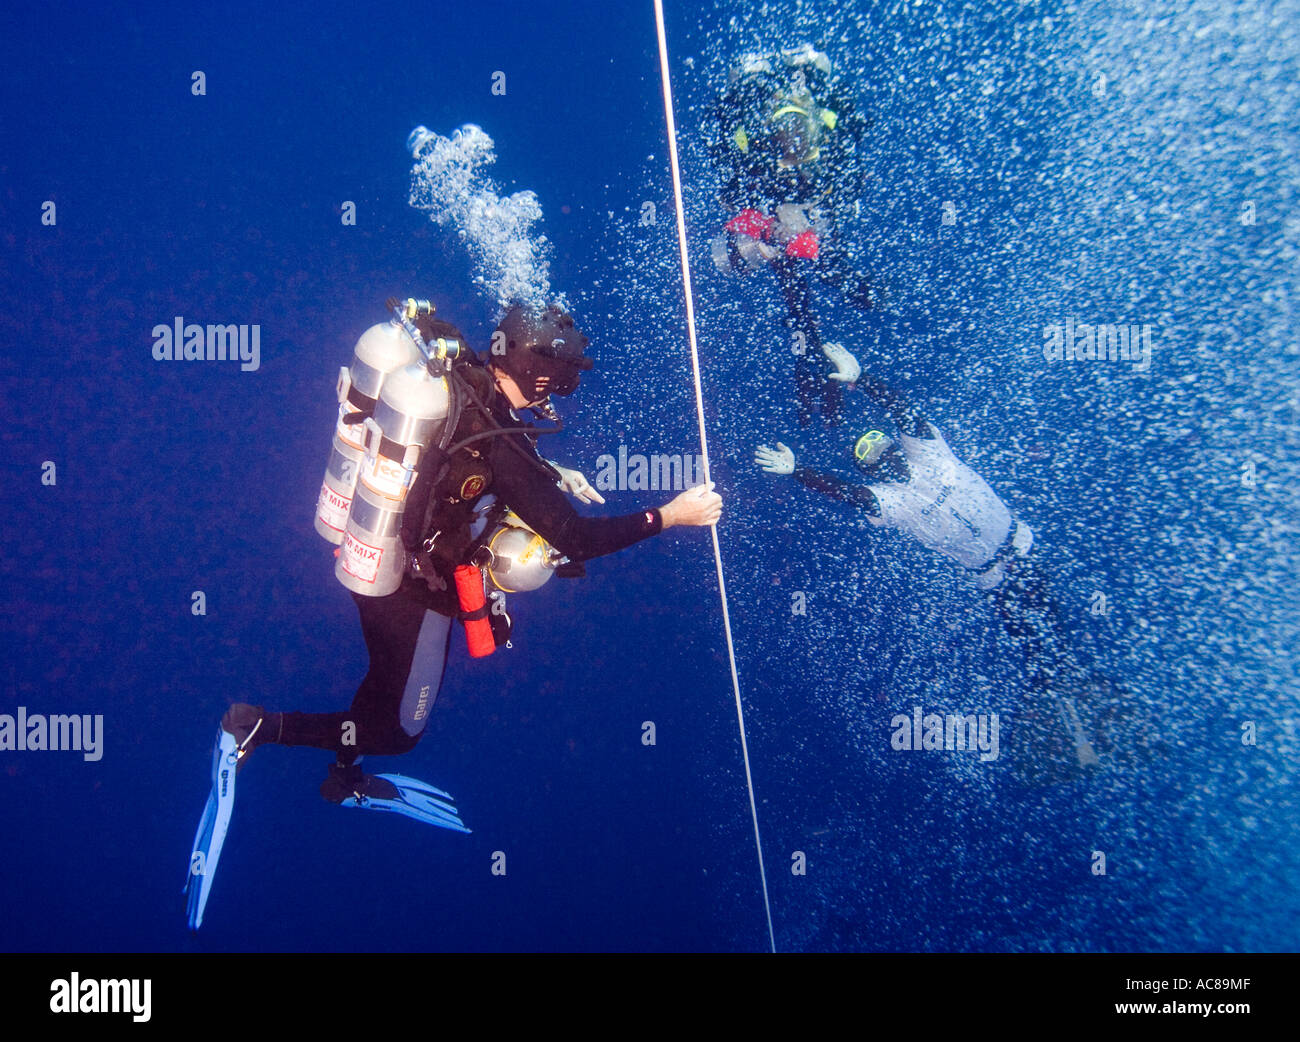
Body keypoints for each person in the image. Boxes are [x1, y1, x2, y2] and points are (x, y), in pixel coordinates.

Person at [223, 303, 722, 801]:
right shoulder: (500, 441)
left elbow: (473, 460)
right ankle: (263, 727)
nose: (563, 396)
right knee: (399, 733)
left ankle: (346, 769)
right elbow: (574, 539)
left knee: (382, 677)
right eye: (563, 383)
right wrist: (671, 515)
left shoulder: (461, 380)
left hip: (372, 551)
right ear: (544, 378)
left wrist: (550, 475)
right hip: (414, 595)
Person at [755, 372, 1127, 781]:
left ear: (897, 445)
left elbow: (904, 411)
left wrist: (862, 379)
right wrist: (798, 472)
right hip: (996, 582)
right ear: (870, 469)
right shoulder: (892, 502)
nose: (880, 453)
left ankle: (1091, 712)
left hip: (1022, 554)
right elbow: (849, 492)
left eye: (881, 443)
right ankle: (1065, 733)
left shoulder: (931, 455)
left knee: (1057, 645)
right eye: (870, 455)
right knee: (1039, 655)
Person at [709, 43, 876, 427]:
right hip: (779, 224)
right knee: (800, 304)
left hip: (795, 223)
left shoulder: (828, 147)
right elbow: (731, 186)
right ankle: (814, 383)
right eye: (787, 157)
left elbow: (852, 158)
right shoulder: (755, 153)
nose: (793, 162)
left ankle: (817, 383)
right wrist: (768, 235)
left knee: (822, 297)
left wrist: (805, 229)